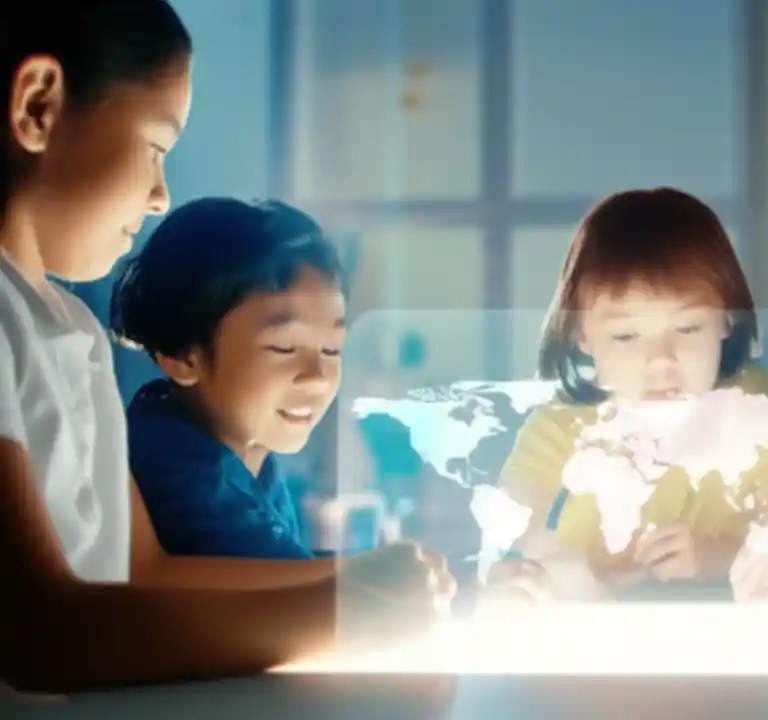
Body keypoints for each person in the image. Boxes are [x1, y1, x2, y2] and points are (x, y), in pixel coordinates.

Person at [0, 0, 450, 692]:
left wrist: (358, 578)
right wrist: (338, 611)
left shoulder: (73, 327)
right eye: (155, 146)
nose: (159, 195)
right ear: (37, 107)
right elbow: (40, 632)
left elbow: (142, 570)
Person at [491, 188, 768, 603]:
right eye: (627, 336)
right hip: (592, 615)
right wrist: (560, 565)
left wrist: (710, 557)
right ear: (582, 337)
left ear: (726, 321)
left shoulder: (749, 402)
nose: (661, 360)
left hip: (721, 617)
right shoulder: (569, 416)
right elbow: (512, 508)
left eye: (687, 329)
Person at [112, 198, 347, 559]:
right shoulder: (180, 473)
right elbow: (284, 589)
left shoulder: (251, 454)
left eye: (332, 349)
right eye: (285, 347)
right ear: (182, 355)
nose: (317, 378)